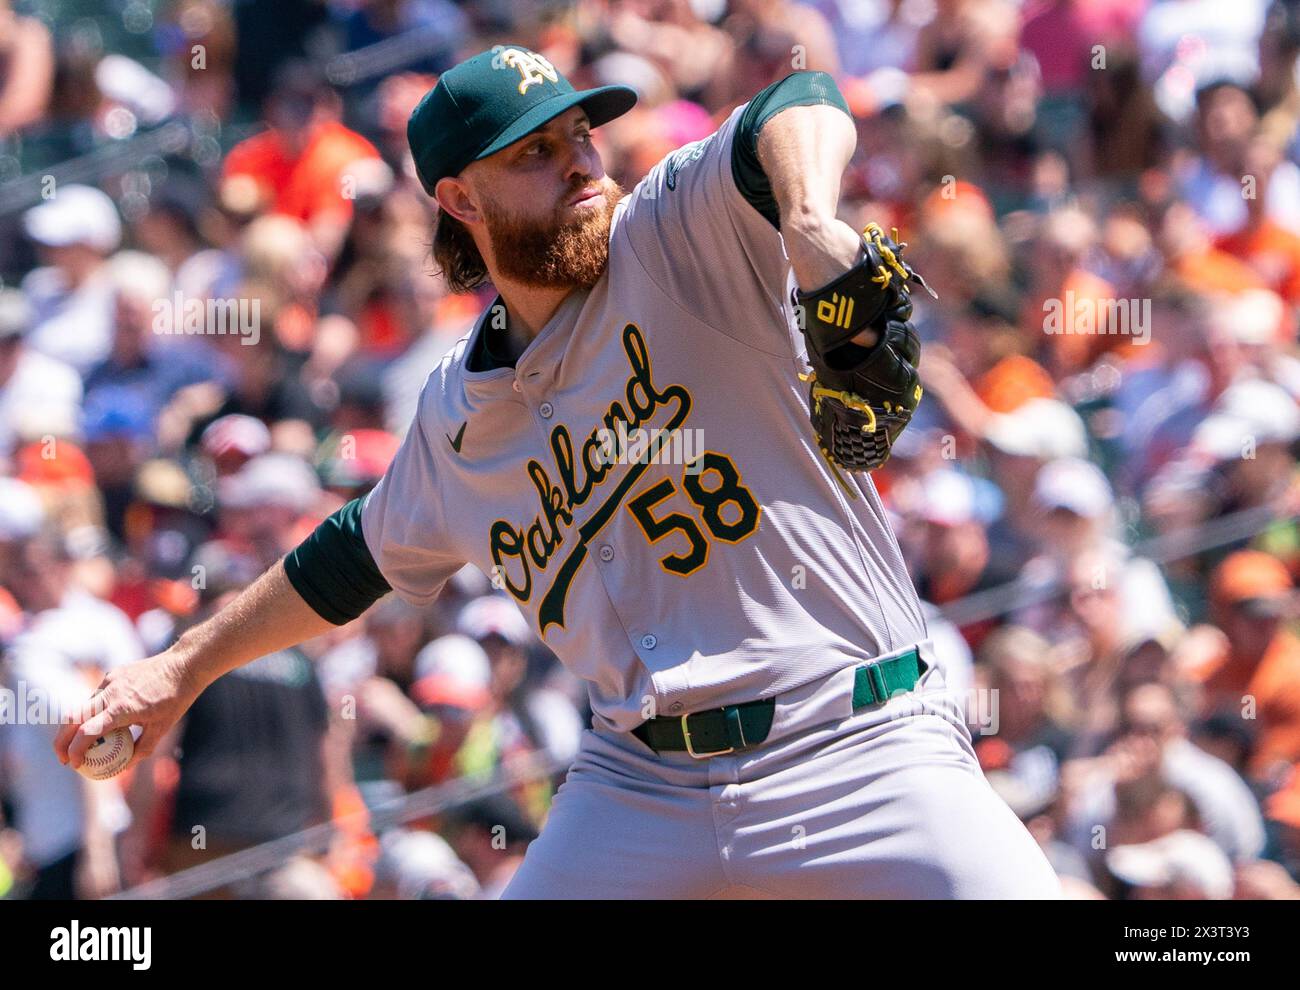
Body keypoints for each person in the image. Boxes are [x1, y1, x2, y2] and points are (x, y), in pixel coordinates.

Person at [55, 46, 1060, 899]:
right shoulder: (457, 417)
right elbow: (347, 559)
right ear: (459, 200)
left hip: (855, 740)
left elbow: (797, 103)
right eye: (535, 152)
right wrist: (179, 669)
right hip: (643, 789)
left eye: (580, 134)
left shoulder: (669, 236)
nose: (579, 160)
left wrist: (805, 219)